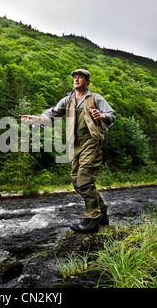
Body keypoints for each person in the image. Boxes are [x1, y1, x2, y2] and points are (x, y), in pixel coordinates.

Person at [21, 69, 116, 233]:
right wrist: (35, 119)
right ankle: (102, 212)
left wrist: (101, 116)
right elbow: (51, 115)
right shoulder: (67, 100)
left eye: (80, 77)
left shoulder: (95, 98)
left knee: (85, 180)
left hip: (92, 141)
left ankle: (92, 219)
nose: (76, 79)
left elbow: (111, 115)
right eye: (75, 77)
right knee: (77, 183)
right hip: (75, 143)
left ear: (87, 82)